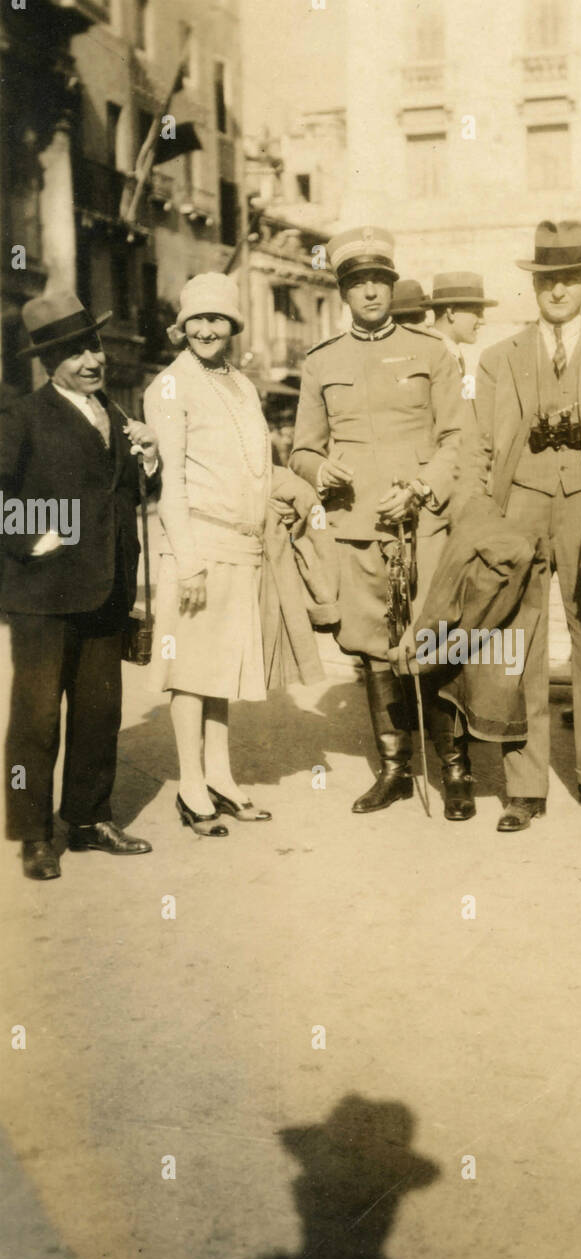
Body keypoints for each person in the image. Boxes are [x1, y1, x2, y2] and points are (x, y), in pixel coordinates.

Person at [288, 227, 472, 819]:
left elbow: (457, 438)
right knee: (370, 650)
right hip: (356, 528)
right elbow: (301, 450)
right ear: (343, 292)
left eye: (378, 281)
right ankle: (394, 769)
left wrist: (422, 489)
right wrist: (322, 471)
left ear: (392, 286)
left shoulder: (432, 352)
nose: (369, 292)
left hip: (424, 525)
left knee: (436, 640)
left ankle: (456, 770)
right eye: (356, 282)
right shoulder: (322, 362)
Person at [471, 219, 581, 831]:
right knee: (520, 642)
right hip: (520, 507)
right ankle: (525, 786)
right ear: (534, 285)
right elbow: (481, 448)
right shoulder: (498, 359)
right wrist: (486, 523)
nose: (558, 290)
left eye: (569, 279)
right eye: (548, 279)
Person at [1, 291, 157, 879]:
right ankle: (34, 835)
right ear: (49, 363)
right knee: (37, 717)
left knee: (99, 709)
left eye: (93, 345)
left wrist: (149, 461)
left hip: (107, 587)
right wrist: (36, 539)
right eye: (74, 352)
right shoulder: (22, 416)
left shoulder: (113, 413)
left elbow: (118, 493)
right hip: (42, 594)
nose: (91, 360)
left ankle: (89, 820)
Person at [144, 273, 273, 838]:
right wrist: (189, 561)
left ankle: (220, 777)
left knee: (223, 669)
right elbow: (170, 481)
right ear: (181, 326)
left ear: (233, 327)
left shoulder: (242, 385)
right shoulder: (171, 386)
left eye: (217, 319)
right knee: (191, 672)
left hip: (241, 545)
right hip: (197, 543)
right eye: (196, 319)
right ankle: (190, 785)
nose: (205, 329)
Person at [425, 272, 498, 373]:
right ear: (451, 312)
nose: (482, 321)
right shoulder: (432, 354)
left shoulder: (447, 351)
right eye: (477, 312)